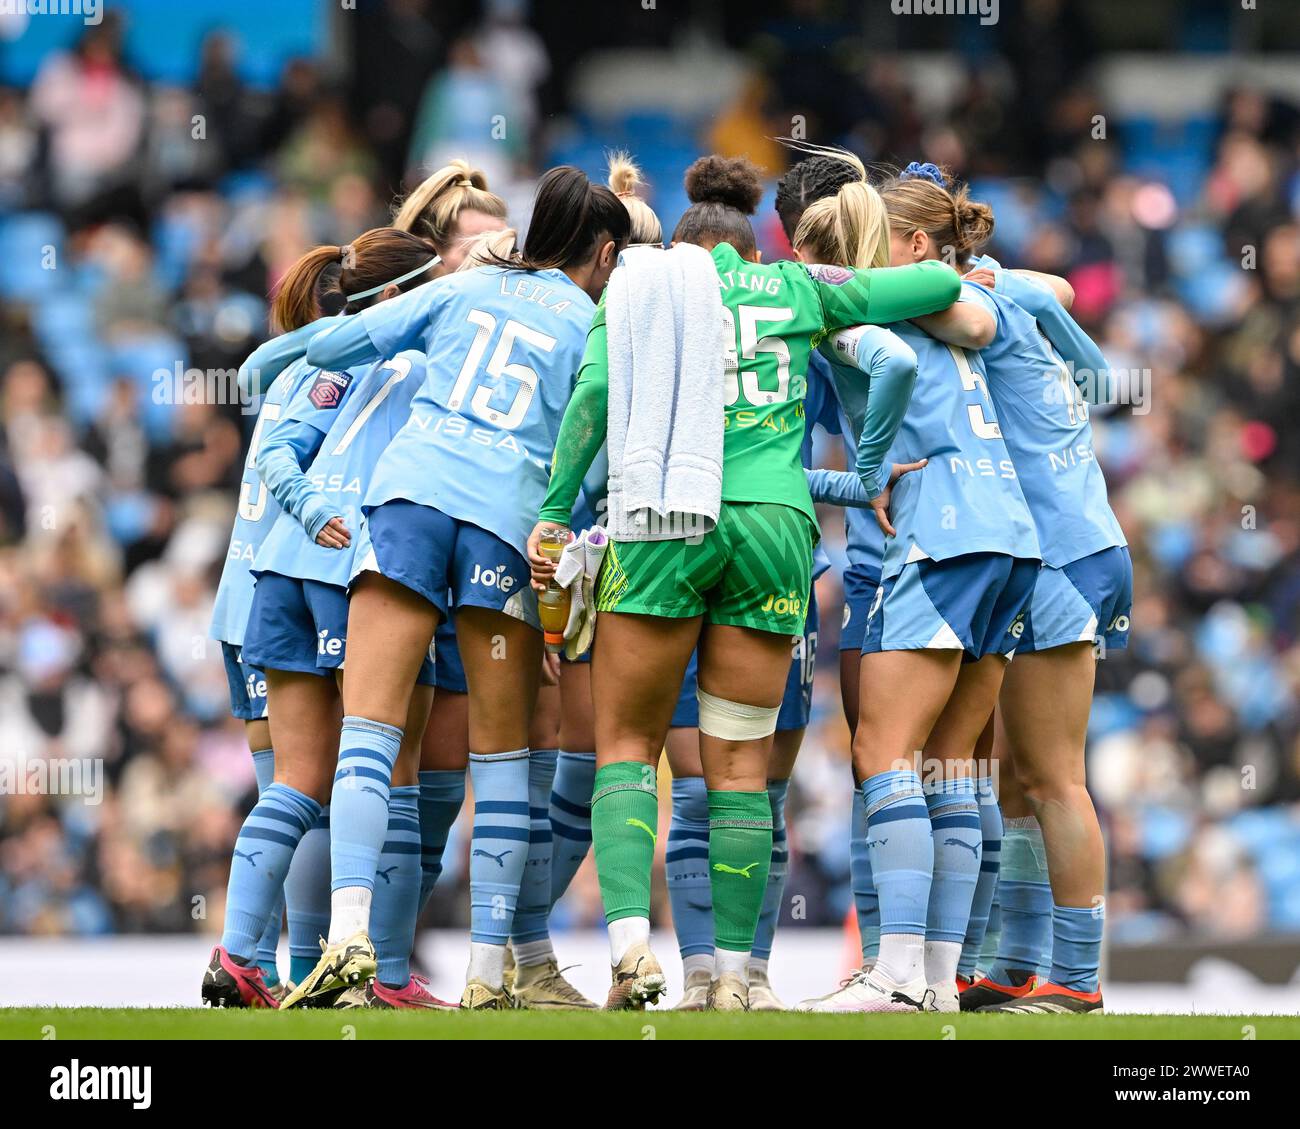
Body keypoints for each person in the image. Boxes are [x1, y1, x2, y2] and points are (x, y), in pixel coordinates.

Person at [530, 154, 961, 1011]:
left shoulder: (641, 286)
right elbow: (915, 292)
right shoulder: (794, 290)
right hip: (774, 525)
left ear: (680, 244)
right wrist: (959, 268)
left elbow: (597, 391)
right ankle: (733, 977)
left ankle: (630, 956)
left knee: (626, 746)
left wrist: (552, 508)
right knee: (738, 770)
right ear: (751, 248)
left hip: (663, 516)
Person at [287, 166, 630, 1010]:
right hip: (503, 528)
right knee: (505, 760)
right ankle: (486, 972)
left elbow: (330, 345)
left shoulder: (464, 287)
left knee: (367, 737)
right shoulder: (598, 327)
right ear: (605, 253)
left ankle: (349, 941)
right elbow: (592, 464)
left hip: (408, 502)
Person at [798, 160, 1042, 1014]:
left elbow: (887, 360)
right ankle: (937, 978)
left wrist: (862, 477)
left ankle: (896, 973)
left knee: (882, 755)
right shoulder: (947, 299)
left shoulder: (862, 304)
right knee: (951, 769)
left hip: (940, 536)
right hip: (1011, 538)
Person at [202, 227, 457, 1009]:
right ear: (406, 291)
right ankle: (372, 969)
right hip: (348, 567)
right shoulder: (416, 361)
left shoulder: (313, 365)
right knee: (383, 762)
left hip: (263, 577)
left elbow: (261, 402)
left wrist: (307, 510)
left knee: (298, 785)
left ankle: (242, 956)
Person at [899, 166, 1128, 1015]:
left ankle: (1079, 980)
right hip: (1073, 544)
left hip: (1063, 554)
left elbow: (934, 303)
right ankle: (1023, 963)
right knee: (1013, 782)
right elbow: (1059, 282)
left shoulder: (973, 307)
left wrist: (818, 277)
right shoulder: (1004, 287)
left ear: (919, 248)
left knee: (1053, 773)